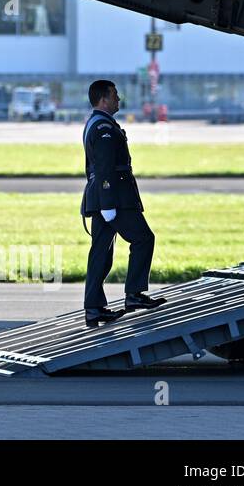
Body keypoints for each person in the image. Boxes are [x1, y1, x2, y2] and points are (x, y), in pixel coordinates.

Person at [82, 80, 167, 328]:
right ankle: (134, 294)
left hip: (103, 198)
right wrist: (108, 203)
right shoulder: (104, 128)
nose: (119, 99)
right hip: (114, 199)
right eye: (115, 95)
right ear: (103, 99)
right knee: (143, 239)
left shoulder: (97, 123)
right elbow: (105, 168)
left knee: (101, 253)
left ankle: (94, 309)